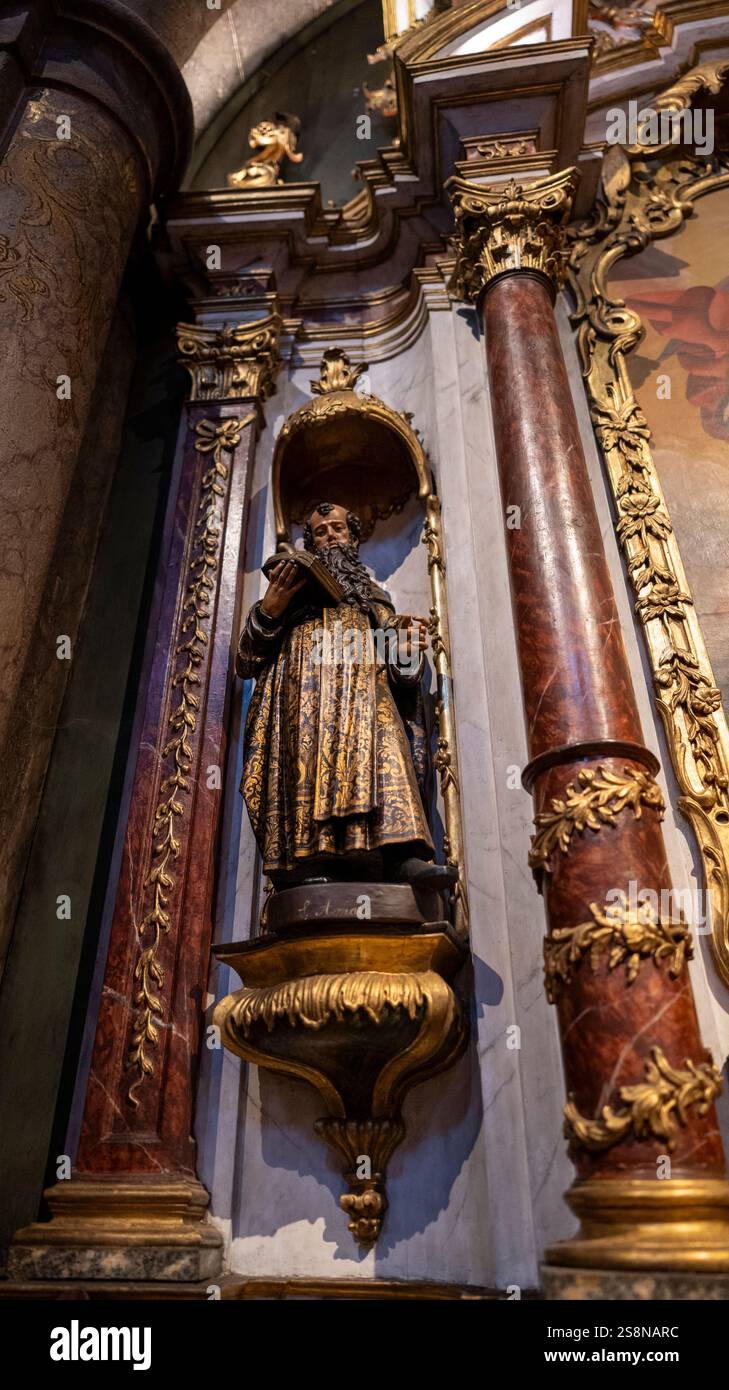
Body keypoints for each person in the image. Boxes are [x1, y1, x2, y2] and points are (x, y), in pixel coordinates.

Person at [236, 501, 456, 888]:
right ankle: (309, 864)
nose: (329, 538)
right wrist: (271, 610)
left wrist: (405, 653)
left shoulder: (372, 597)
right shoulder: (288, 594)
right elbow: (246, 660)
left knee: (388, 747)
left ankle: (400, 856)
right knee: (305, 761)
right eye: (320, 533)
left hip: (366, 690)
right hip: (303, 693)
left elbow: (403, 674)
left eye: (337, 529)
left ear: (354, 538)